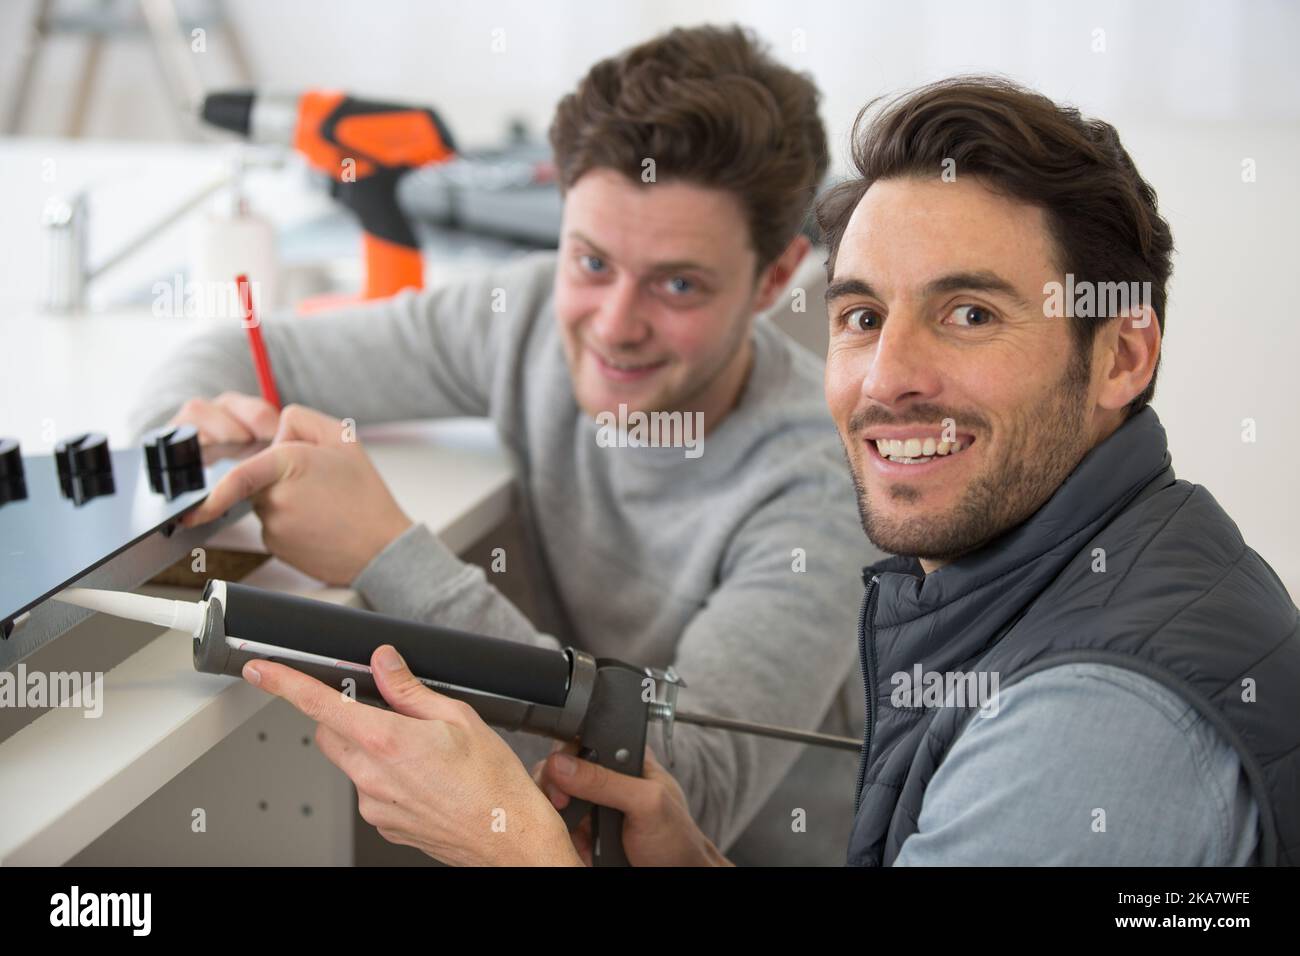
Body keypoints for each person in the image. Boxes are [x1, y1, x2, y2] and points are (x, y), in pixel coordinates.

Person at [228, 75, 1300, 867]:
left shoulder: (1093, 728)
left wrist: (518, 849)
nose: (890, 378)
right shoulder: (1039, 574)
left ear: (1121, 354)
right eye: (863, 315)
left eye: (969, 313)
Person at [129, 25, 876, 866]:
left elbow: (662, 815)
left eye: (678, 284)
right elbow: (243, 352)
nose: (615, 325)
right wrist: (183, 439)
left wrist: (385, 552)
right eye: (591, 261)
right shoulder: (521, 319)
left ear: (776, 280)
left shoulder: (818, 488)